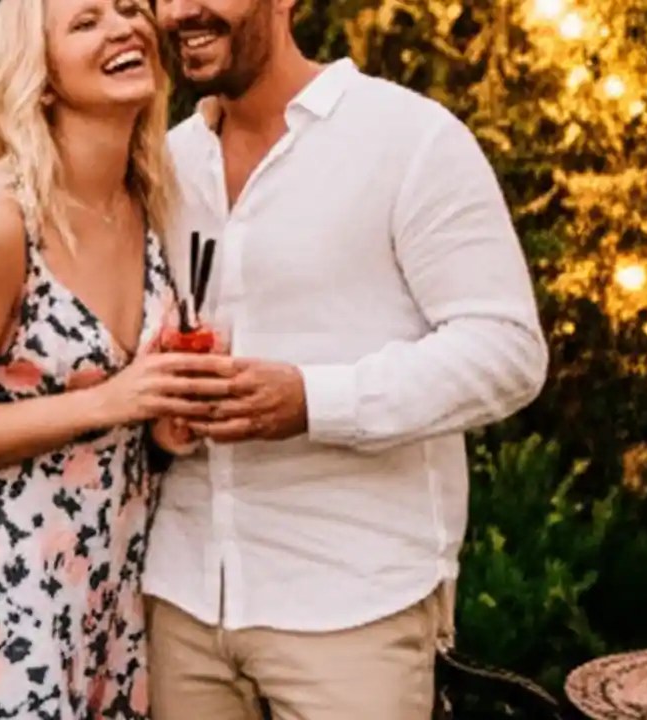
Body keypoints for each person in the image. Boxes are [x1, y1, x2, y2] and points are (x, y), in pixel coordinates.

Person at [144, 0, 551, 718]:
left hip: (355, 603)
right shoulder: (164, 161)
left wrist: (313, 401)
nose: (180, 11)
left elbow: (507, 350)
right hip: (180, 596)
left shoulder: (410, 140)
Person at [0, 0, 235, 717]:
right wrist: (111, 402)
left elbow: (130, 409)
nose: (124, 28)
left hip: (114, 596)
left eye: (131, 9)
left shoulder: (150, 201)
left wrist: (162, 427)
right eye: (86, 21)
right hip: (5, 599)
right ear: (40, 75)